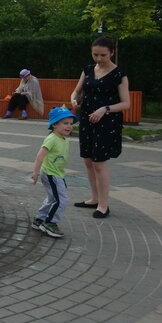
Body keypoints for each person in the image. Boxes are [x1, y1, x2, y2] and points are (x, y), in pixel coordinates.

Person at [70, 37, 130, 219]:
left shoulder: (119, 74)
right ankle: (94, 198)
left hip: (107, 122)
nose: (98, 58)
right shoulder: (88, 69)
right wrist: (73, 99)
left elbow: (126, 103)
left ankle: (104, 205)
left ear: (112, 52)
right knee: (88, 161)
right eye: (95, 54)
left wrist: (105, 109)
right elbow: (77, 90)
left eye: (103, 55)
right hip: (87, 119)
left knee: (99, 163)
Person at [30, 106, 76, 239]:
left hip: (57, 174)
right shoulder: (52, 138)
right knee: (62, 199)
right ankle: (50, 222)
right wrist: (36, 173)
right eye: (65, 123)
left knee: (52, 198)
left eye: (71, 124)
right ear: (55, 124)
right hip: (51, 175)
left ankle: (39, 219)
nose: (69, 126)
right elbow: (40, 156)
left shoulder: (64, 139)